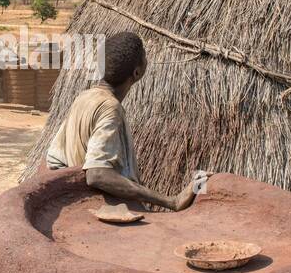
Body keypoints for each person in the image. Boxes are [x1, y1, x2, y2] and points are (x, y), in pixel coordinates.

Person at [45, 31, 197, 212]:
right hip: (108, 213)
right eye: (145, 56)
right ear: (137, 72)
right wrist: (170, 201)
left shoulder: (84, 97)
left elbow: (55, 158)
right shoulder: (110, 108)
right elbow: (96, 174)